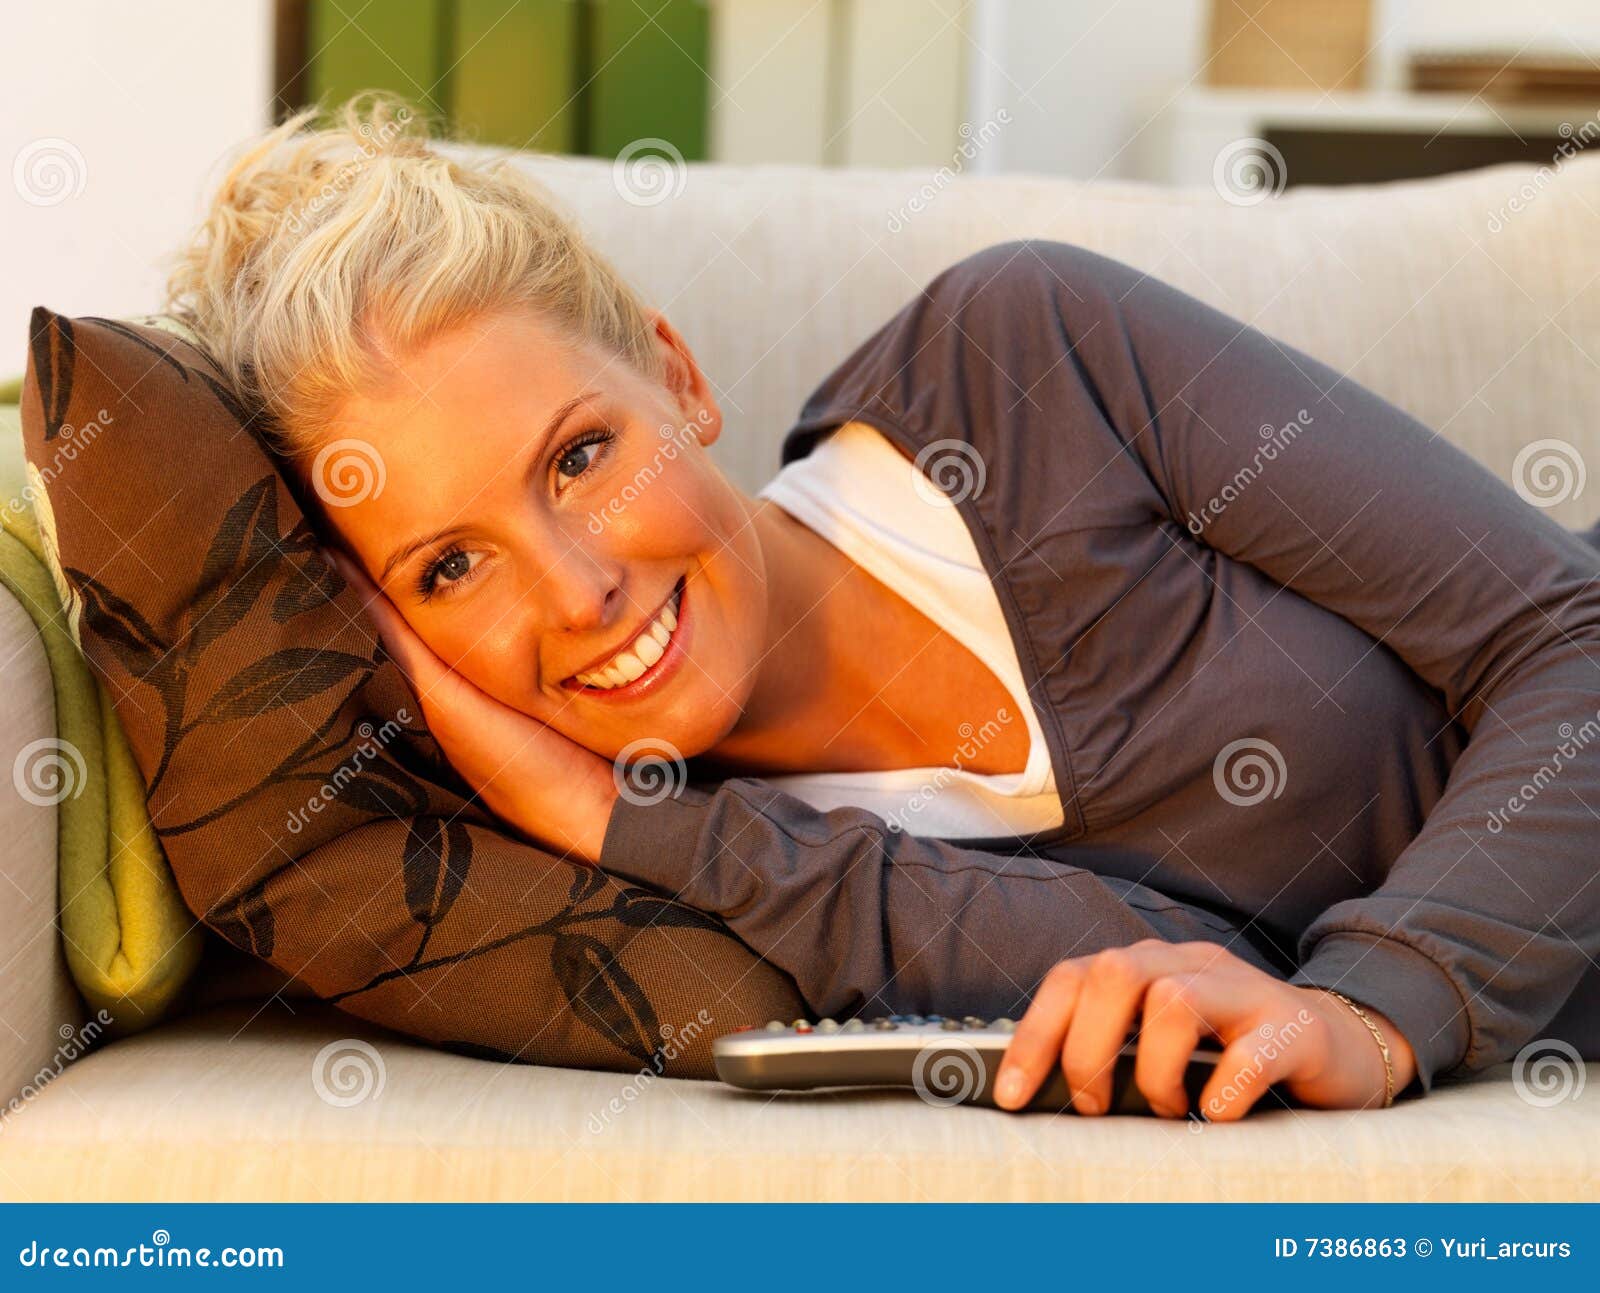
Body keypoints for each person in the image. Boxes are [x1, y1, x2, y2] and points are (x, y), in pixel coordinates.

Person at [166, 96, 1600, 1121]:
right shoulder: (690, 880)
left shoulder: (1023, 364)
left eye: (581, 457)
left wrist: (1380, 1006)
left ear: (678, 378)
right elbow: (1213, 984)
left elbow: (1569, 635)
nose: (580, 586)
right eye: (448, 568)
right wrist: (631, 822)